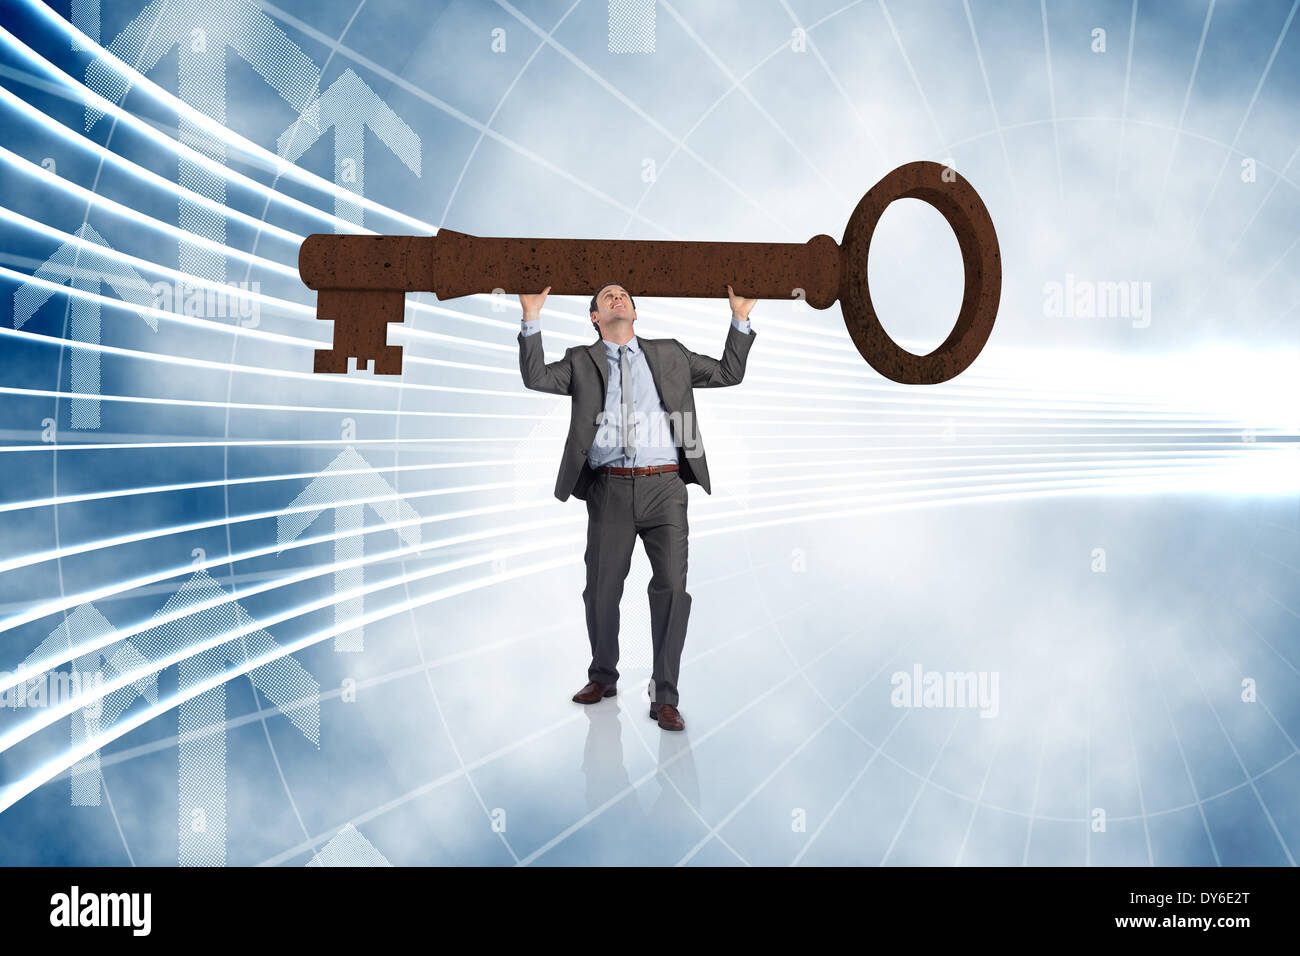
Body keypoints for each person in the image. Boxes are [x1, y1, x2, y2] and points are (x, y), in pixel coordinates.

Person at [517, 282, 756, 730]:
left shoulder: (670, 353)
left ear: (635, 311)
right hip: (609, 489)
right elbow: (536, 378)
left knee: (672, 589)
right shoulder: (580, 361)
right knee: (601, 590)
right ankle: (603, 676)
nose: (617, 297)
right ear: (595, 317)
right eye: (607, 296)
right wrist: (531, 316)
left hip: (666, 488)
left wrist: (739, 318)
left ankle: (664, 695)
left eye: (624, 294)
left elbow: (728, 373)